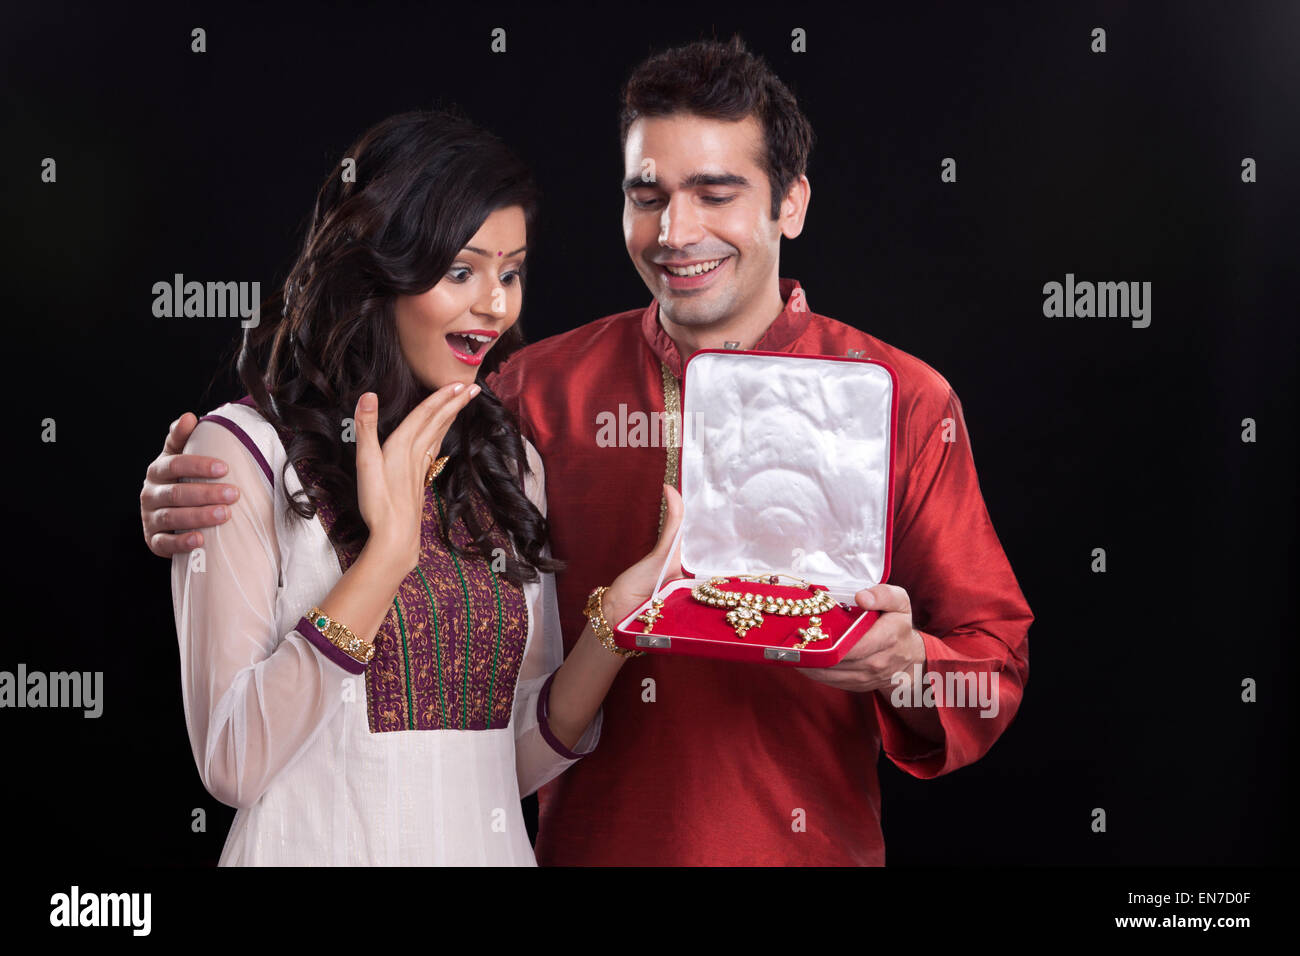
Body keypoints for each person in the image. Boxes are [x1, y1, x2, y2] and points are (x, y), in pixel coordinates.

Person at [144, 37, 1033, 865]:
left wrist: (909, 668)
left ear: (790, 202)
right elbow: (343, 484)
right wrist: (201, 483)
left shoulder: (903, 401)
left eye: (716, 194)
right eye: (646, 196)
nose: (675, 231)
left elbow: (992, 674)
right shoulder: (527, 397)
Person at [166, 110, 683, 865]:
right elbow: (233, 763)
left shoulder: (508, 466)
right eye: (462, 271)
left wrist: (615, 629)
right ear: (380, 267)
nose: (497, 306)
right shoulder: (242, 454)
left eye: (510, 272)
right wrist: (385, 560)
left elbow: (504, 764)